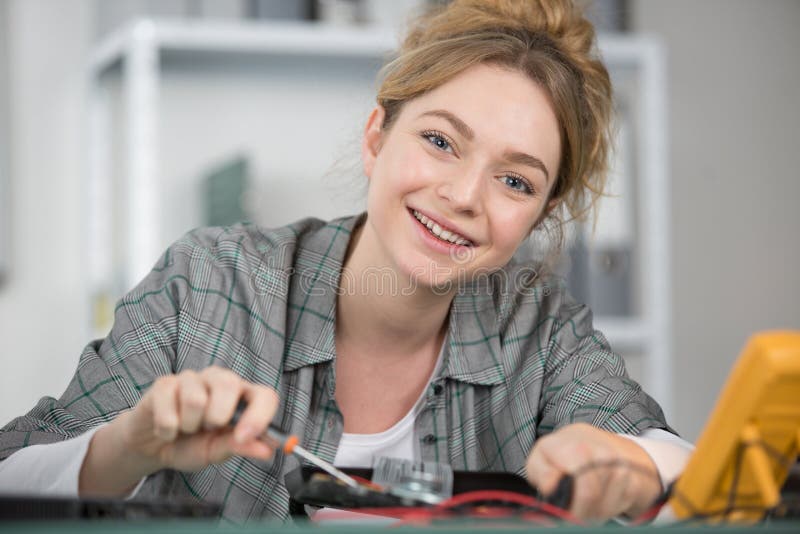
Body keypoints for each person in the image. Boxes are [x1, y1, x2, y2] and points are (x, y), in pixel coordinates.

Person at [0, 0, 691, 523]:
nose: (463, 197)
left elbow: (679, 462)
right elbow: (12, 481)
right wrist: (131, 445)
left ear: (537, 218)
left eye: (516, 182)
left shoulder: (541, 331)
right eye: (442, 142)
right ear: (375, 138)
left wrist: (629, 464)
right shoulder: (208, 287)